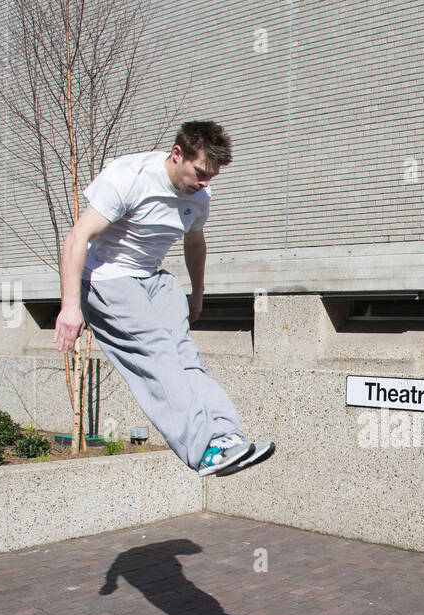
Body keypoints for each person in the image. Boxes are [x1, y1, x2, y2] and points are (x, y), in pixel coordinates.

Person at [54, 121, 272, 476]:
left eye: (211, 177)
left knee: (186, 357)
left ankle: (227, 437)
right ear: (177, 154)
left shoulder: (200, 197)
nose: (204, 184)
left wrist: (197, 293)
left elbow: (195, 242)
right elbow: (76, 237)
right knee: (158, 350)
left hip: (153, 280)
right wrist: (70, 307)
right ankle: (203, 450)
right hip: (107, 279)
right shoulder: (128, 177)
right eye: (200, 173)